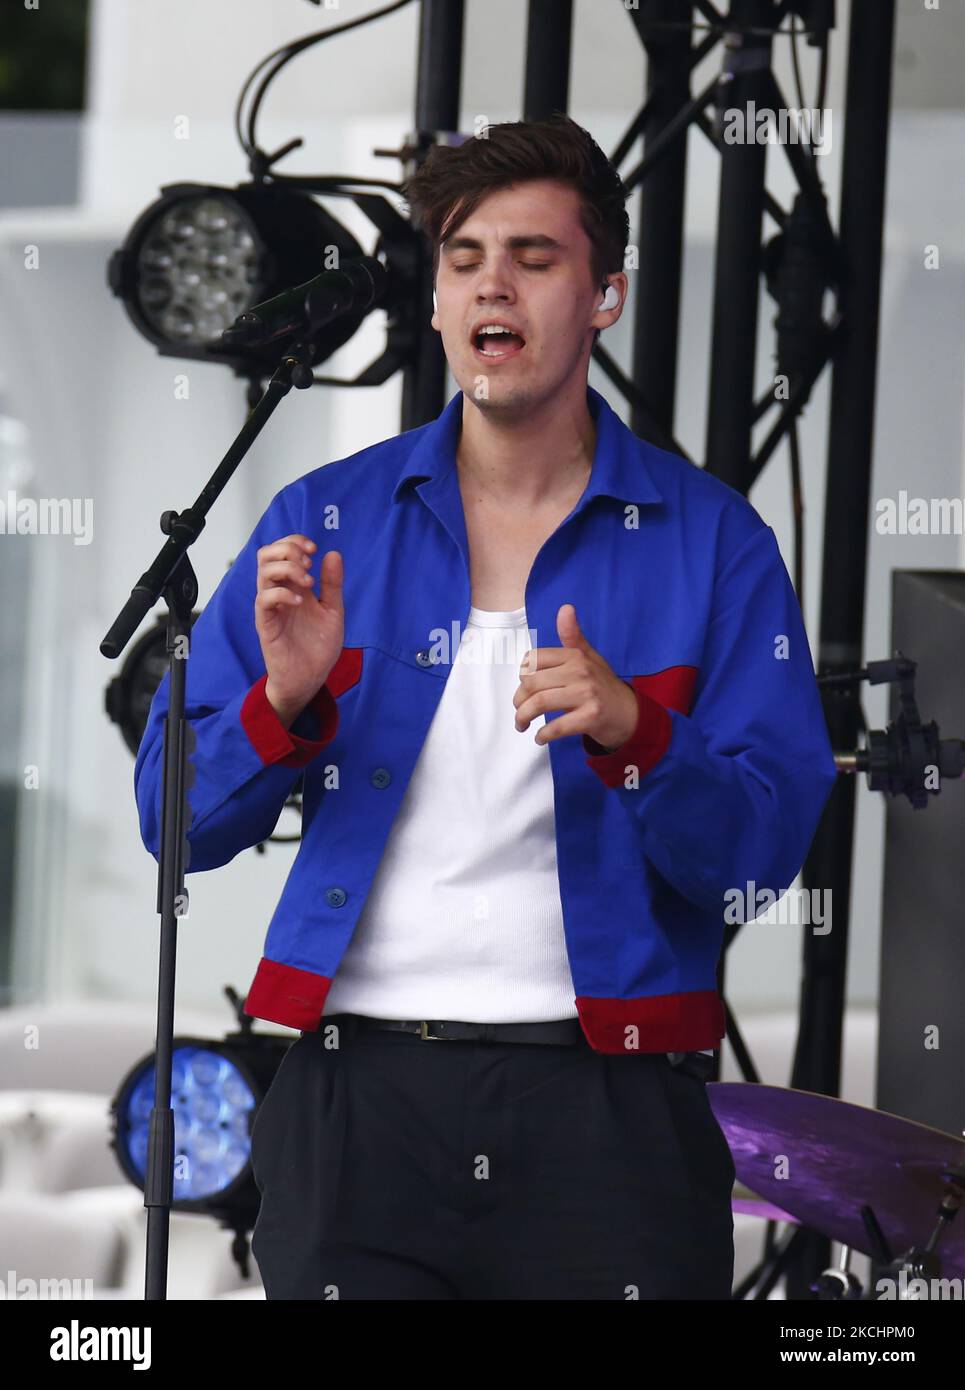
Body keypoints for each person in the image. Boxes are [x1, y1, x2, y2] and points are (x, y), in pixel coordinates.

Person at [134, 114, 838, 1300]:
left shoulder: (711, 540)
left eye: (533, 257)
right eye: (461, 259)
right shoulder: (325, 516)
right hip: (356, 1100)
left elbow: (761, 857)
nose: (489, 285)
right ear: (437, 301)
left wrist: (636, 733)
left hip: (607, 1108)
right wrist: (282, 699)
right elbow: (174, 827)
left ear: (604, 294)